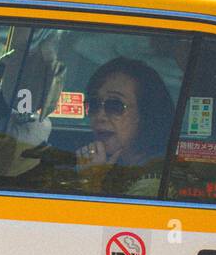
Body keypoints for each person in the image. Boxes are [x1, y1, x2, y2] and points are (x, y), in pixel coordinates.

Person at [73, 58, 174, 198]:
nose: (100, 116)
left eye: (115, 106)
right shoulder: (115, 167)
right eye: (94, 105)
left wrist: (91, 183)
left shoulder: (153, 184)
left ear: (146, 114)